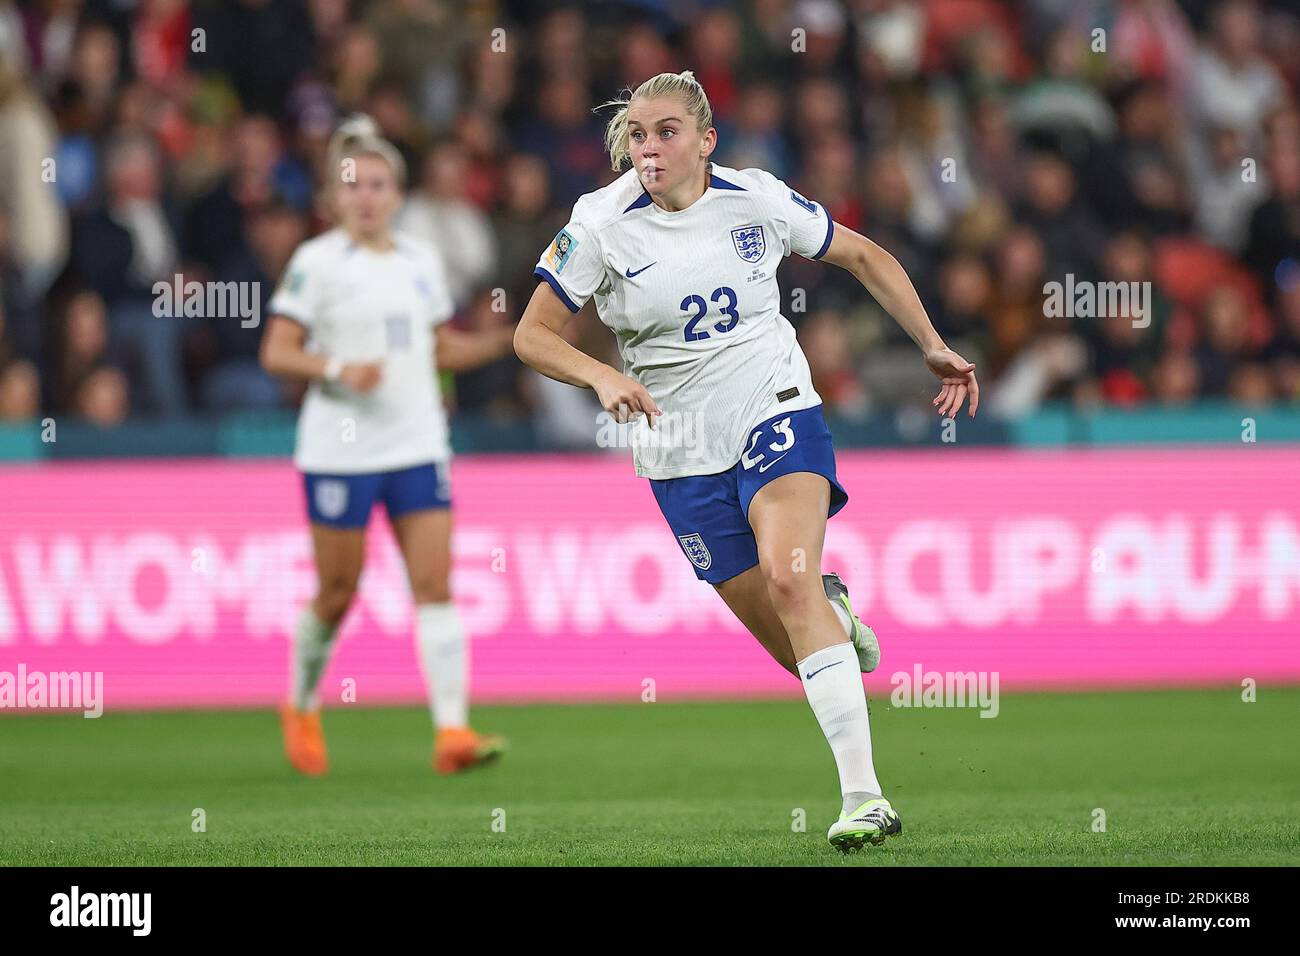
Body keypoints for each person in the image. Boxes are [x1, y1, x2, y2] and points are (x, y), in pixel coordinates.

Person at [514, 72, 979, 851]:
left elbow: (862, 257)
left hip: (773, 407)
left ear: (705, 140)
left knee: (789, 578)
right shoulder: (598, 224)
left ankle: (866, 798)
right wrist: (600, 374)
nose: (649, 148)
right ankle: (831, 612)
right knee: (795, 644)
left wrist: (931, 343)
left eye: (666, 132)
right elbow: (531, 334)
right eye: (636, 134)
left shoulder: (756, 198)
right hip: (677, 450)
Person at [260, 116, 516, 776]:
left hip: (417, 442)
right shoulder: (316, 263)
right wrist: (340, 370)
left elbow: (438, 349)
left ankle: (453, 732)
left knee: (433, 586)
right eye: (354, 185)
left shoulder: (420, 260)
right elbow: (277, 351)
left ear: (397, 194)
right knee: (338, 592)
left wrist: (498, 342)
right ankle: (301, 703)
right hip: (339, 451)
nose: (367, 195)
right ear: (336, 196)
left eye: (378, 184)